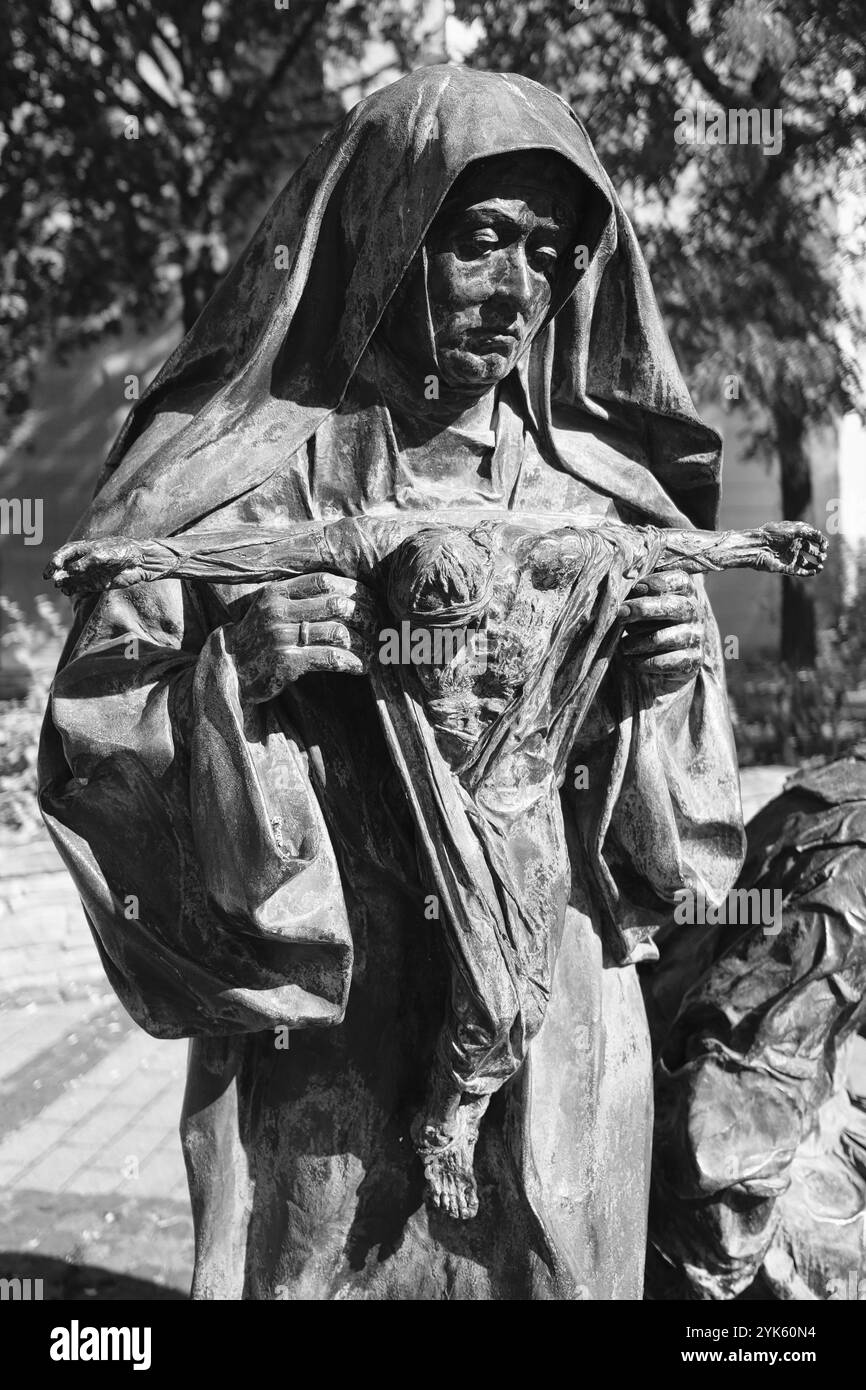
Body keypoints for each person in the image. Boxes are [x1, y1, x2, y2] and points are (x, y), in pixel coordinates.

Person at [40, 65, 748, 1299]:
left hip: (557, 1018)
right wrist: (231, 683)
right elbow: (100, 743)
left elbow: (678, 856)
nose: (515, 289)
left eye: (545, 249)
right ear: (384, 236)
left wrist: (662, 686)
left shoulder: (599, 493)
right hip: (341, 1031)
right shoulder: (248, 484)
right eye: (476, 240)